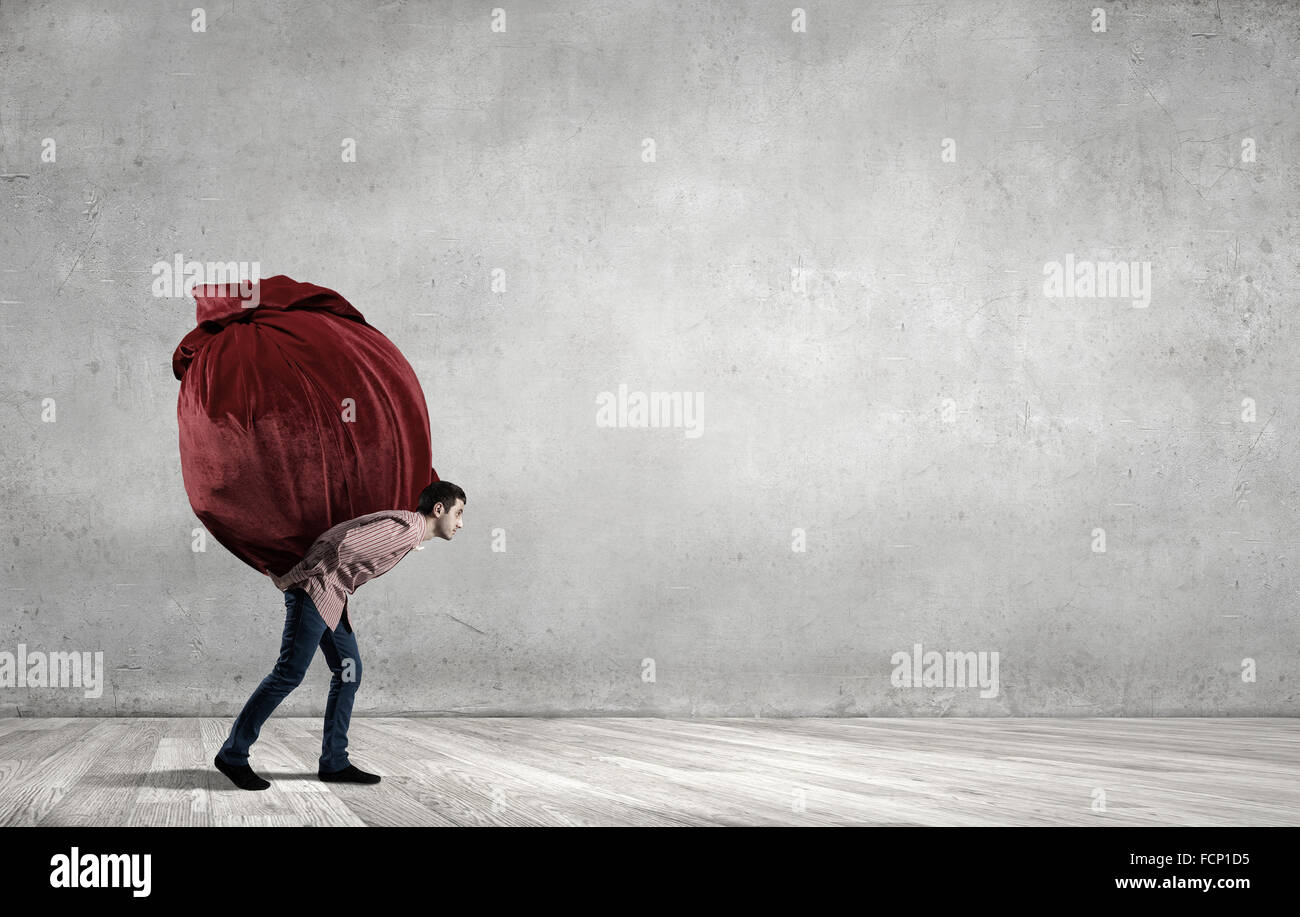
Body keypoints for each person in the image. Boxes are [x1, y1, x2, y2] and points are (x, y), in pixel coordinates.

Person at [213, 481, 467, 791]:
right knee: (288, 673)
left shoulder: (410, 533)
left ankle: (334, 762)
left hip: (333, 599)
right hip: (314, 592)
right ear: (438, 509)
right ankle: (233, 755)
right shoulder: (406, 528)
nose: (460, 523)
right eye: (458, 513)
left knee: (349, 673)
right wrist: (295, 576)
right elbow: (342, 543)